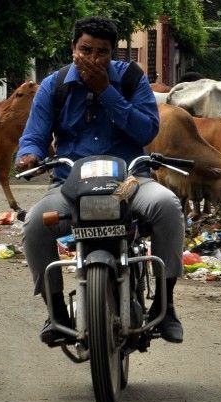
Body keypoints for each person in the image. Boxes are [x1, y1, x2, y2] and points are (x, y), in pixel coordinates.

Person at [15, 16, 185, 346]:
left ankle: (165, 305)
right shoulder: (54, 85)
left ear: (113, 53)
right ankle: (55, 312)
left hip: (129, 183)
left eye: (102, 52)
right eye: (86, 50)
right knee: (35, 223)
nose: (93, 59)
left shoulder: (131, 79)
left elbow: (147, 130)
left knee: (167, 206)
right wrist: (29, 155)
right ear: (73, 49)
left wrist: (105, 92)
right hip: (70, 185)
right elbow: (34, 136)